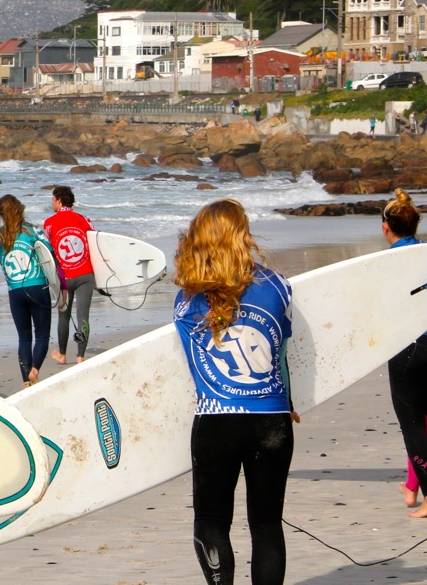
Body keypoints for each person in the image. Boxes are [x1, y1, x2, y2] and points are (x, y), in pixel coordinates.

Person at [173, 199, 297, 585]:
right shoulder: (279, 286)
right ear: (242, 236)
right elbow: (282, 352)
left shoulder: (187, 300)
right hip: (273, 421)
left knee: (211, 521)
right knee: (266, 524)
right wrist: (288, 401)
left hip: (216, 420)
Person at [382, 188, 427, 519]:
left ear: (386, 227)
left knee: (412, 424)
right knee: (425, 421)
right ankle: (412, 488)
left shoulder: (386, 263)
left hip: (411, 350)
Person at [0, 194, 51, 387]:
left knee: (24, 337)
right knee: (42, 335)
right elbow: (49, 254)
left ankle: (26, 382)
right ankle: (34, 371)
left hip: (14, 291)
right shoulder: (32, 231)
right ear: (19, 210)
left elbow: (0, 261)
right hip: (38, 286)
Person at [42, 186, 96, 363]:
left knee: (64, 315)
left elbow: (46, 251)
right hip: (86, 275)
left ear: (58, 200)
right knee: (83, 315)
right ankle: (81, 356)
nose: (52, 203)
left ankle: (63, 355)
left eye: (52, 200)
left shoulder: (49, 223)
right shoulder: (84, 219)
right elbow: (95, 243)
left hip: (64, 278)